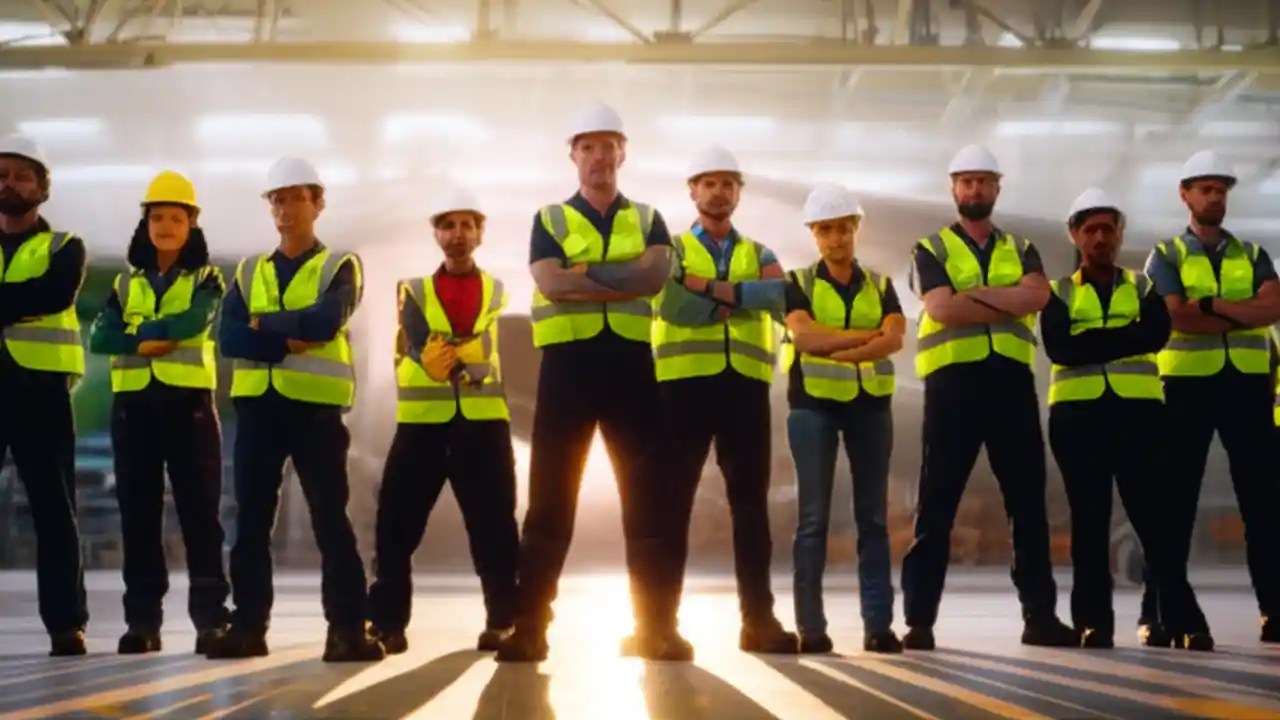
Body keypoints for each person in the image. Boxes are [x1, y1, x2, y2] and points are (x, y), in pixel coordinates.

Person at [497, 102, 674, 662]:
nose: (599, 156)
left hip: (630, 368)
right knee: (549, 503)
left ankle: (656, 629)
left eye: (608, 145)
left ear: (624, 151)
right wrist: (620, 281)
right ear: (573, 155)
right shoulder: (548, 219)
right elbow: (551, 284)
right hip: (568, 372)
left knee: (647, 503)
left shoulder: (648, 218)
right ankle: (530, 628)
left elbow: (655, 276)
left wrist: (584, 277)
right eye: (588, 146)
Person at [900, 144, 1077, 650]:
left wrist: (969, 296)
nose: (975, 189)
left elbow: (1038, 297)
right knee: (937, 502)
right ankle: (919, 622)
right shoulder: (928, 249)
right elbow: (942, 309)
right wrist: (1004, 298)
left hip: (1010, 385)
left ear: (997, 187)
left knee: (1027, 503)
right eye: (966, 181)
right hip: (952, 386)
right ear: (953, 188)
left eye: (984, 181)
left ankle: (1040, 619)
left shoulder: (1022, 248)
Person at [208, 157, 383, 662]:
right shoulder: (247, 270)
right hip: (259, 411)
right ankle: (247, 627)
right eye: (276, 199)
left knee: (332, 520)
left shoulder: (340, 266)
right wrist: (290, 333)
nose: (285, 208)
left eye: (295, 197)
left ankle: (348, 630)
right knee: (251, 523)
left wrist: (265, 329)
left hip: (316, 413)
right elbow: (229, 336)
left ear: (318, 202)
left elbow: (326, 322)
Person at [1041, 188, 1209, 650]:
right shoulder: (1058, 293)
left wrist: (1093, 339)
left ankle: (1181, 619)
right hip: (1078, 420)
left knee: (1156, 525)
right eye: (1090, 230)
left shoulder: (1143, 287)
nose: (1099, 238)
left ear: (1119, 235)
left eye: (1107, 229)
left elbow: (1155, 335)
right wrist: (1124, 337)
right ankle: (1094, 623)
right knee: (1089, 525)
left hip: (1140, 419)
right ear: (1076, 235)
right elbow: (1061, 348)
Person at [648, 146, 797, 657]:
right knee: (671, 507)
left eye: (728, 183)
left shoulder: (762, 252)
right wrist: (738, 296)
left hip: (746, 389)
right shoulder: (668, 250)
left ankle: (758, 621)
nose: (718, 192)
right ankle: (659, 625)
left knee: (751, 509)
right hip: (682, 387)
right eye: (708, 183)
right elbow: (674, 304)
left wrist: (709, 291)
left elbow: (779, 297)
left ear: (739, 192)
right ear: (692, 190)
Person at [368, 187, 519, 655]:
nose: (458, 234)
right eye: (448, 225)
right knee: (395, 527)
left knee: (495, 528)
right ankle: (389, 624)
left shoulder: (497, 289)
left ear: (480, 233)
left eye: (467, 225)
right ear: (436, 233)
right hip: (422, 425)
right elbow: (421, 345)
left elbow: (467, 349)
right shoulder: (411, 290)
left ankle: (503, 621)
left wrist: (446, 355)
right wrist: (443, 353)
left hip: (483, 423)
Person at [1139, 150, 1280, 647]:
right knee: (1174, 504)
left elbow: (1275, 306)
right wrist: (1243, 311)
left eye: (1221, 189)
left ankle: (1274, 610)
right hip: (1187, 386)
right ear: (1185, 195)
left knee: (1265, 504)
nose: (1215, 197)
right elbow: (1177, 315)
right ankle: (1160, 613)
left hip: (1246, 384)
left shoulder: (1252, 252)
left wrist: (1214, 305)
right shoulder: (1166, 255)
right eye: (1206, 189)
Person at [86, 171, 231, 655]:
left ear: (192, 224)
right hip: (134, 411)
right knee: (139, 518)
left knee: (200, 517)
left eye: (176, 217)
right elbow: (101, 339)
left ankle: (211, 621)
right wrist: (143, 339)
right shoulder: (125, 285)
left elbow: (195, 322)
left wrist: (139, 331)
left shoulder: (207, 278)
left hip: (188, 407)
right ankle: (142, 623)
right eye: (157, 217)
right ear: (144, 223)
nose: (166, 225)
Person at [783, 183, 905, 654]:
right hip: (812, 405)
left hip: (870, 406)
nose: (837, 239)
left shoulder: (881, 284)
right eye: (827, 230)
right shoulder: (797, 283)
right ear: (815, 234)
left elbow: (893, 340)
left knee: (872, 518)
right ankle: (811, 629)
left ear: (857, 230)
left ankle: (879, 627)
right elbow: (805, 340)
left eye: (844, 229)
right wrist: (863, 339)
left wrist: (838, 342)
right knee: (813, 520)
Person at [0, 133, 90, 657]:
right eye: (2, 174)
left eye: (21, 174)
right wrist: (20, 302)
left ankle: (65, 625)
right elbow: (31, 298)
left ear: (42, 187)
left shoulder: (65, 248)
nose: (9, 183)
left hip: (41, 392)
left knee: (55, 512)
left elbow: (51, 293)